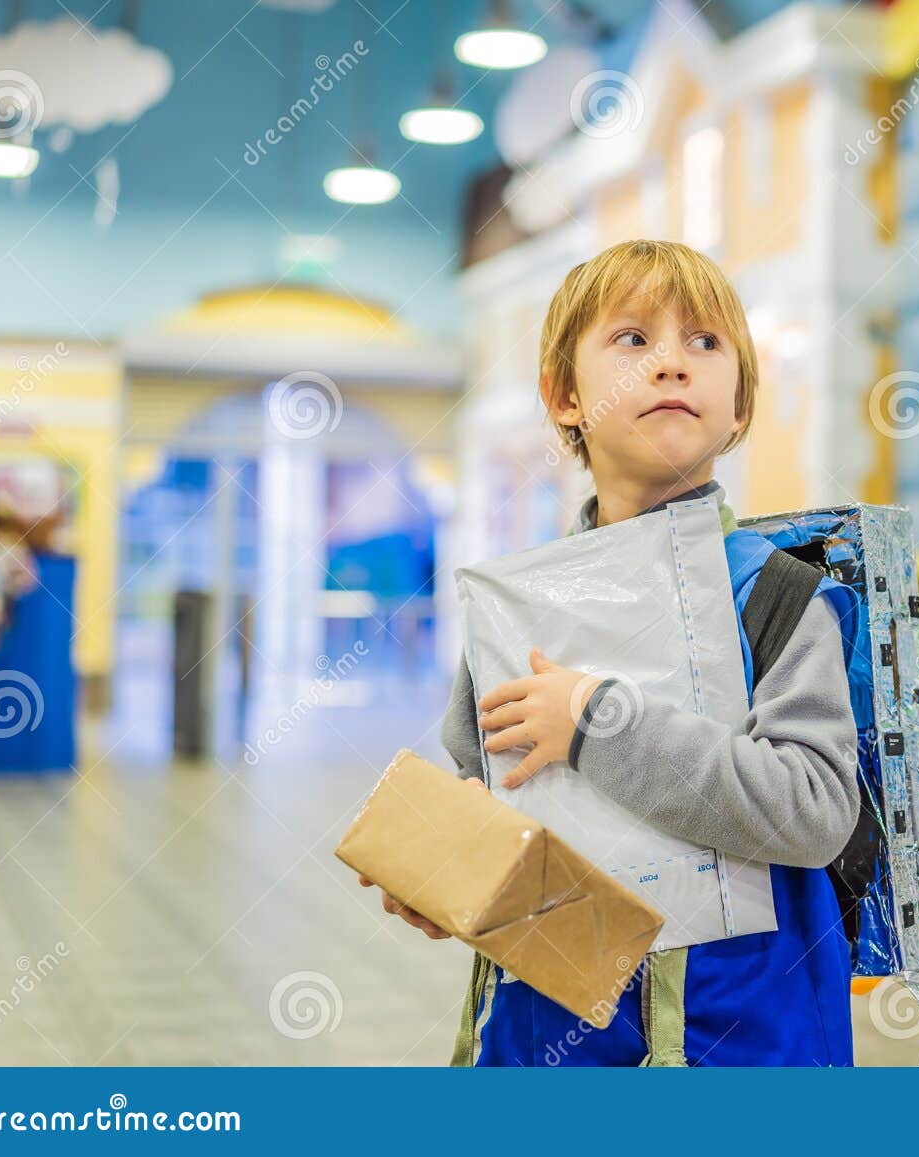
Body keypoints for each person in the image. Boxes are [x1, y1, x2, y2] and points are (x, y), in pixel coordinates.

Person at [361, 239, 861, 1066]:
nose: (672, 362)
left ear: (739, 405)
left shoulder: (779, 599)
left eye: (705, 342)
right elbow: (486, 797)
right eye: (633, 339)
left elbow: (812, 810)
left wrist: (598, 723)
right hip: (550, 1039)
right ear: (565, 397)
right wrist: (444, 873)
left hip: (744, 1042)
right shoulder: (517, 609)